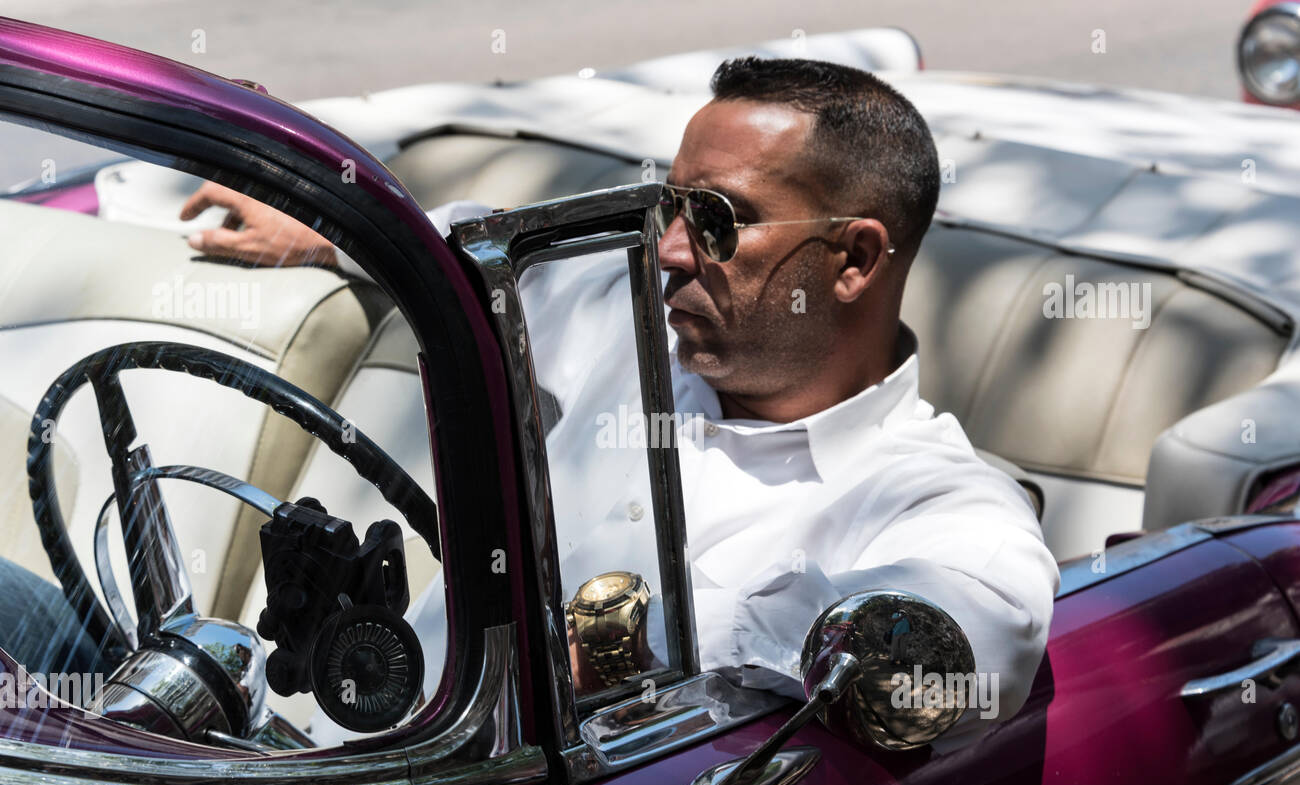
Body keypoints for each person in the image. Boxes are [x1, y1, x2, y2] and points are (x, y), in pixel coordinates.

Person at [174, 57, 1058, 749]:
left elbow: (962, 644)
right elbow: (467, 247)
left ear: (855, 260)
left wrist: (629, 641)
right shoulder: (626, 315)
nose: (669, 250)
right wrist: (330, 214)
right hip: (298, 756)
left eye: (717, 219)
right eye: (667, 205)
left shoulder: (945, 504)